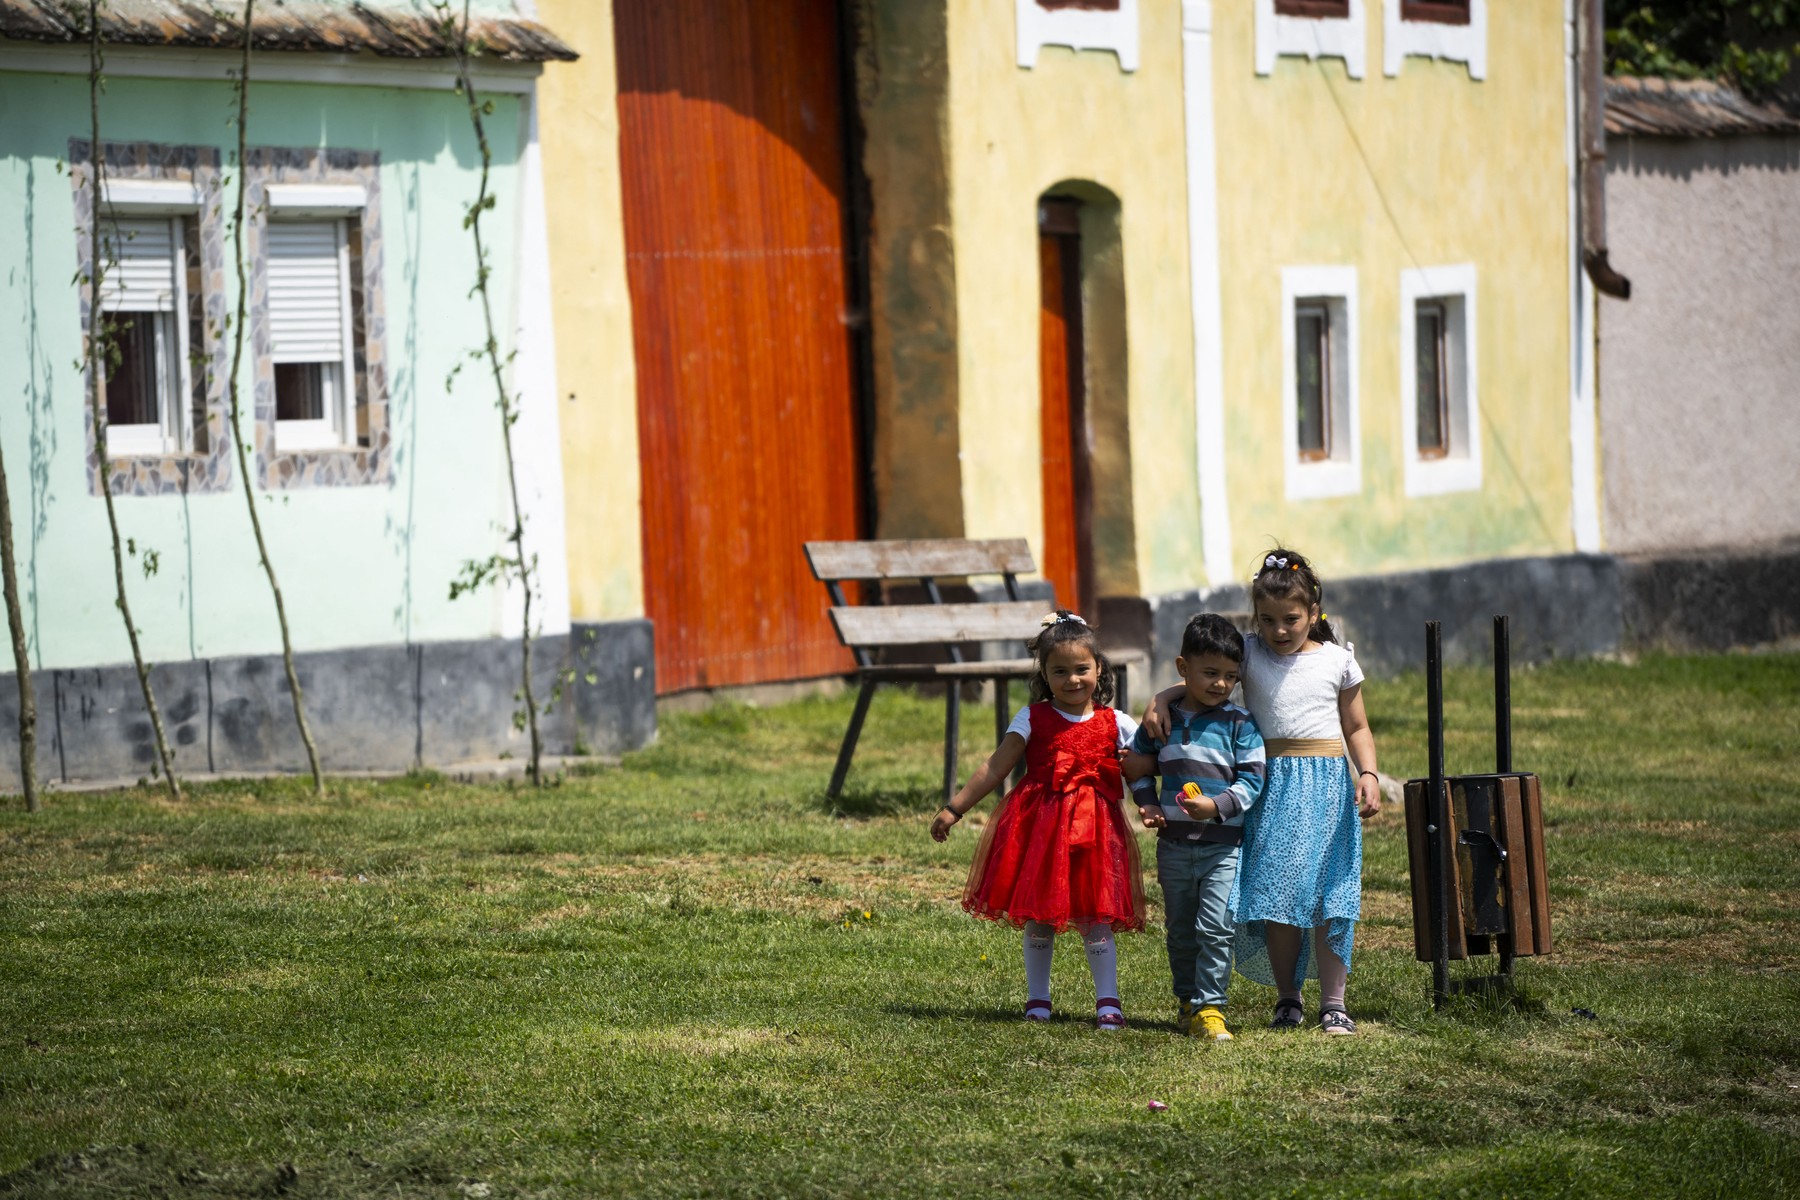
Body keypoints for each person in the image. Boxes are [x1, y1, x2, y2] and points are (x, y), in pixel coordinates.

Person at [1141, 549, 1380, 1035]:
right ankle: (1288, 998)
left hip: (1327, 790)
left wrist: (1370, 774)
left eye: (1291, 619)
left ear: (1313, 612)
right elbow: (1203, 676)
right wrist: (1161, 698)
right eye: (1267, 620)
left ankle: (1334, 1003)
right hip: (1269, 787)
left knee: (1331, 893)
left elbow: (1357, 727)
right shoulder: (1249, 654)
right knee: (1278, 895)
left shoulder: (1337, 660)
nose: (1279, 630)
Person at [931, 611, 1145, 1030]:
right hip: (1041, 833)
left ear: (1099, 668)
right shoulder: (1031, 718)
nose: (1072, 680)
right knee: (1039, 916)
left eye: (1081, 669)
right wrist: (955, 808)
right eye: (1059, 671)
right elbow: (996, 766)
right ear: (1044, 674)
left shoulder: (1117, 722)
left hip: (1096, 834)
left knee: (1096, 915)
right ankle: (1038, 998)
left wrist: (1153, 801)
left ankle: (1108, 1001)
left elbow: (1143, 766)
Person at [1122, 613, 1265, 1041]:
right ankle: (1187, 1001)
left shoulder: (1240, 723)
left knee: (1216, 929)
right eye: (1210, 673)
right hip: (1174, 847)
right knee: (1182, 931)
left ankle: (1211, 1009)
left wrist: (1216, 806)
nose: (1220, 684)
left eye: (1230, 676)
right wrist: (1148, 803)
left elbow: (1253, 780)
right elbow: (1135, 766)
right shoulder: (1160, 721)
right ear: (1183, 668)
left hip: (1223, 847)